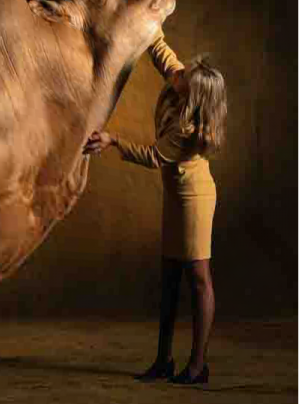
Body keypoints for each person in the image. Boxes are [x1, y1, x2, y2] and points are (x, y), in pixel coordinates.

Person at [84, 34, 227, 385]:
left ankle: (197, 365)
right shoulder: (183, 86)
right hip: (176, 194)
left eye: (184, 80)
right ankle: (163, 361)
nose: (177, 77)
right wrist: (152, 22)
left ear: (194, 99)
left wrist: (113, 140)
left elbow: (153, 156)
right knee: (169, 279)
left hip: (194, 198)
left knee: (198, 278)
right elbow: (165, 56)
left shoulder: (186, 127)